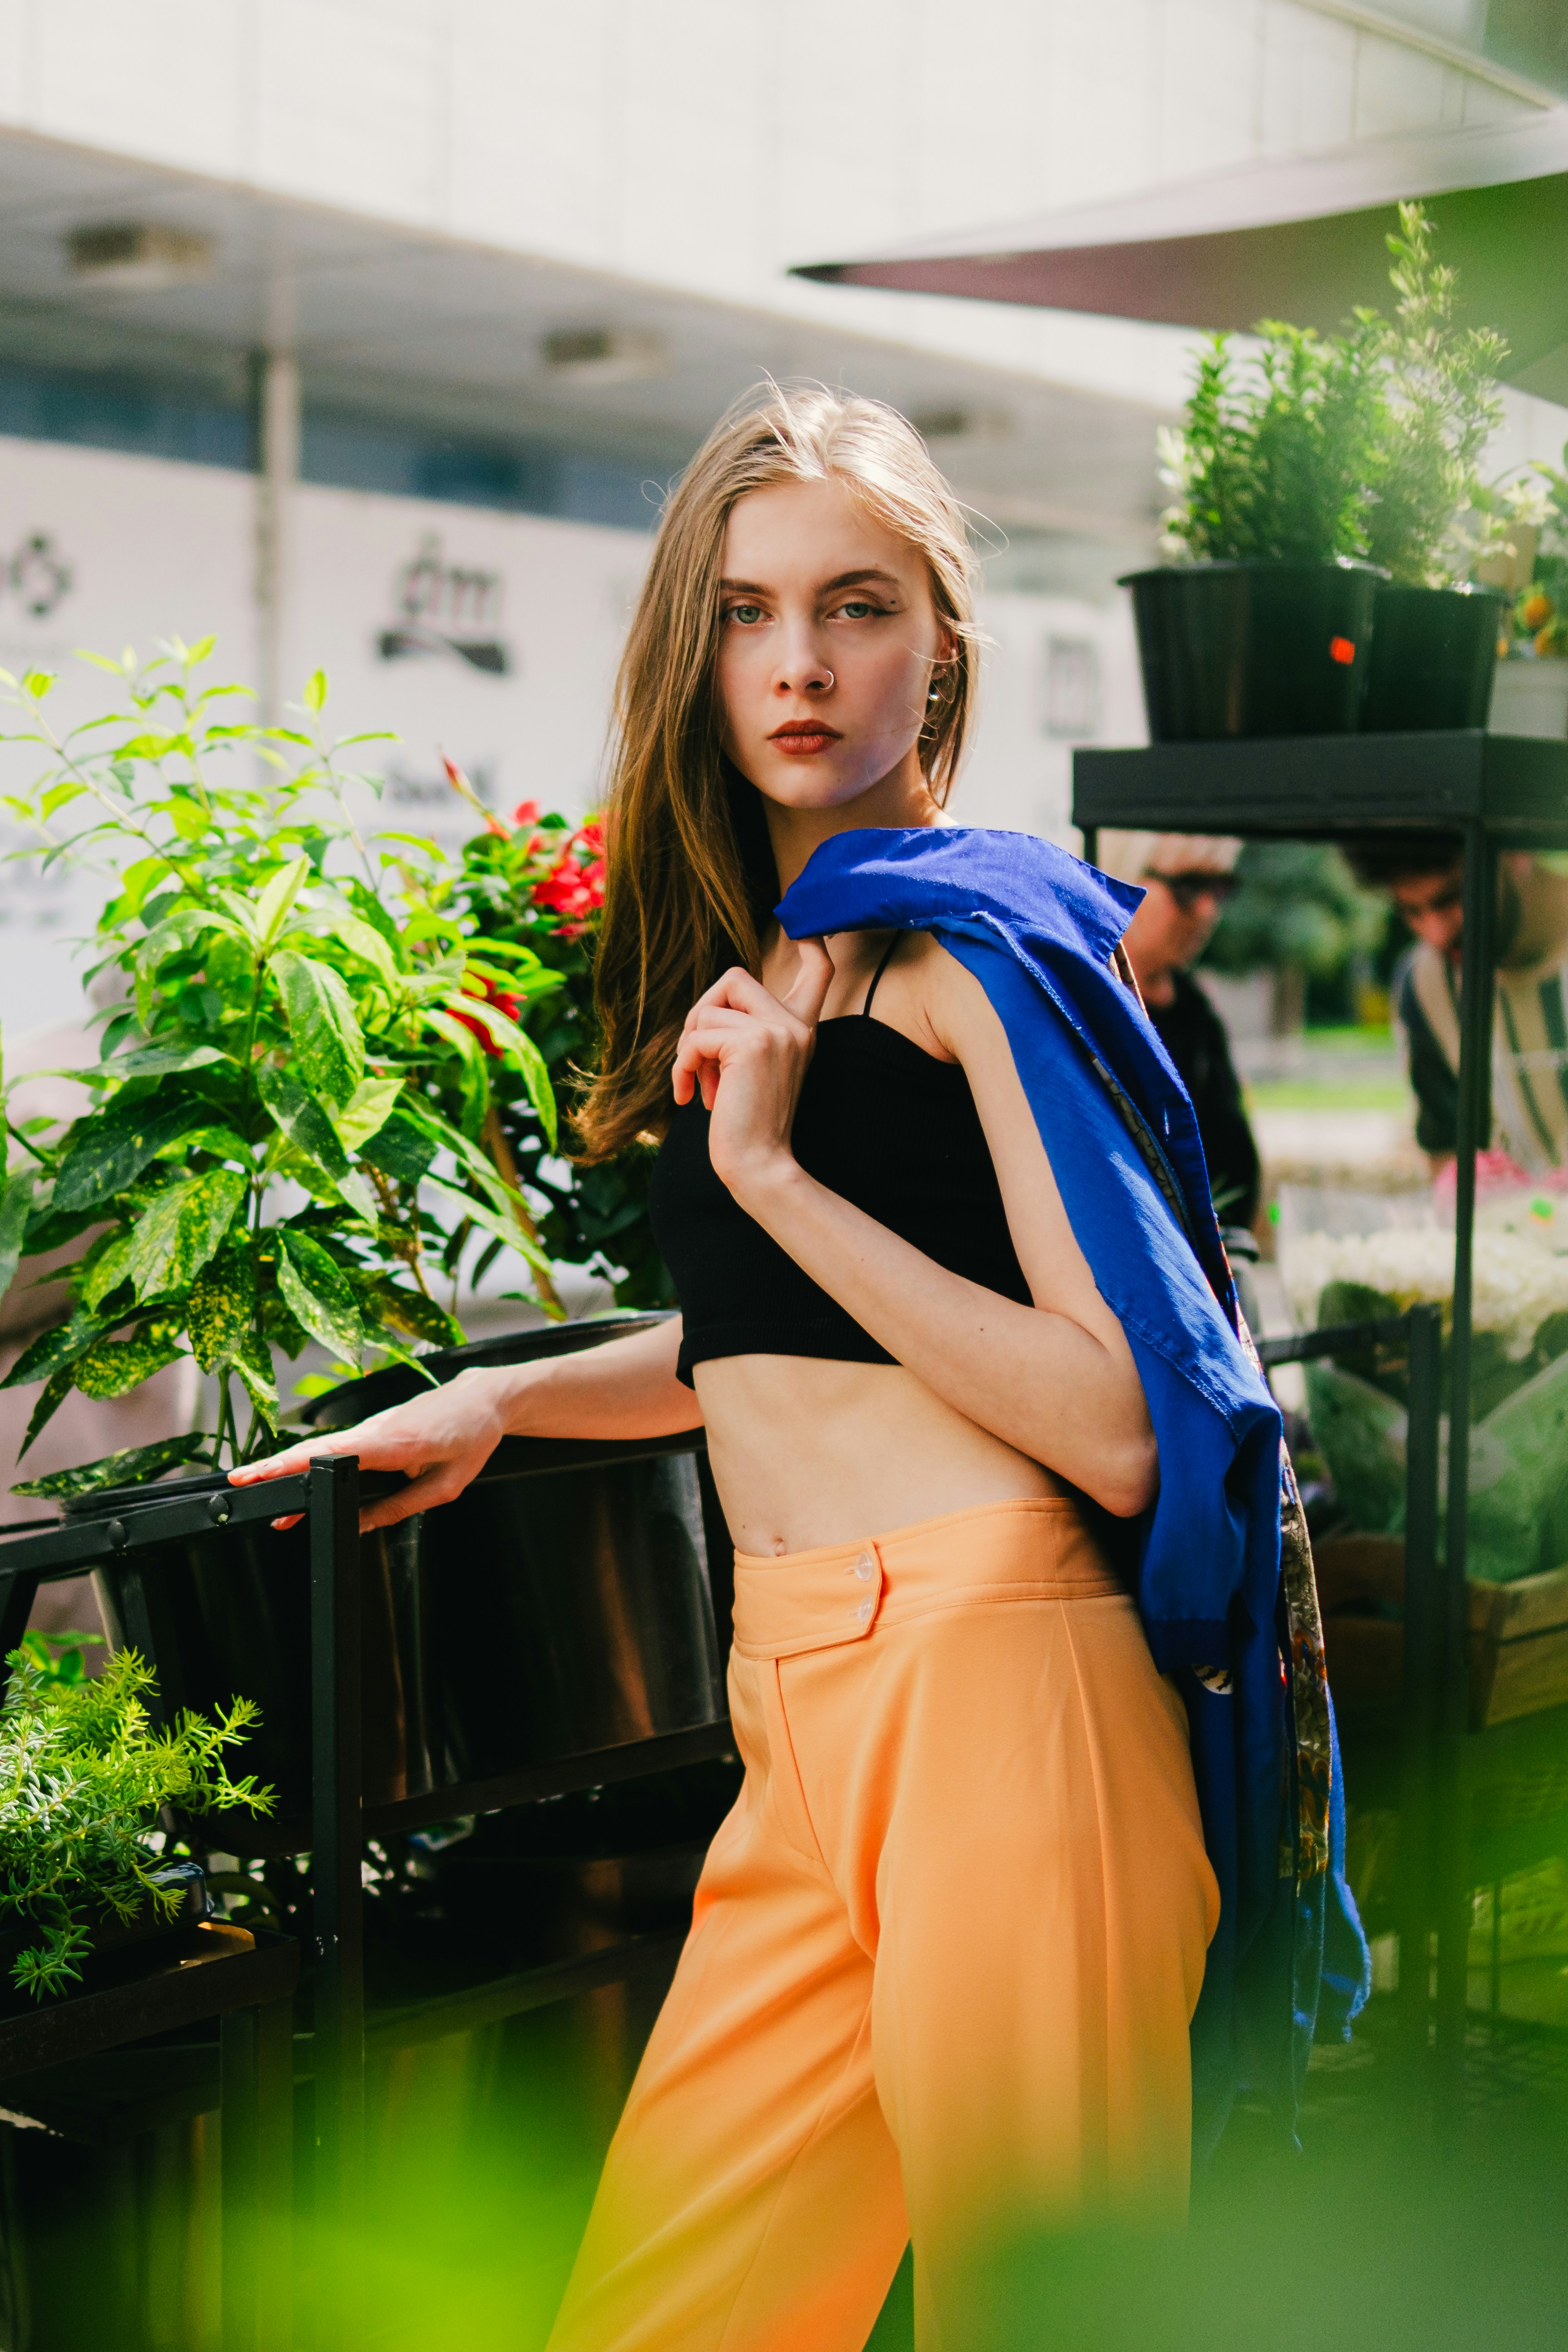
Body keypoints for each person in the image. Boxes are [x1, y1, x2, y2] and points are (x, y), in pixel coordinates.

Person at [233, 387, 1362, 2349]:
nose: (799, 665)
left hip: (998, 1684)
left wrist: (766, 1170)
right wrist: (505, 1398)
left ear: (941, 648)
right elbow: (775, 1340)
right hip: (795, 1709)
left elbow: (1114, 1422)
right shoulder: (775, 965)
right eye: (747, 612)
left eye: (855, 606)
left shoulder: (974, 953)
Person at [1344, 835, 1568, 1174]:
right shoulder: (1426, 983)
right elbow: (1447, 1152)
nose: (1436, 933)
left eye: (1452, 899)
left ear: (1516, 856)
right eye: (1412, 911)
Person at [1094, 832, 1260, 1228]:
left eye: (1219, 887)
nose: (1207, 909)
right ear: (1122, 878)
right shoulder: (1084, 1008)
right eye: (1187, 887)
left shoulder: (1196, 1011)